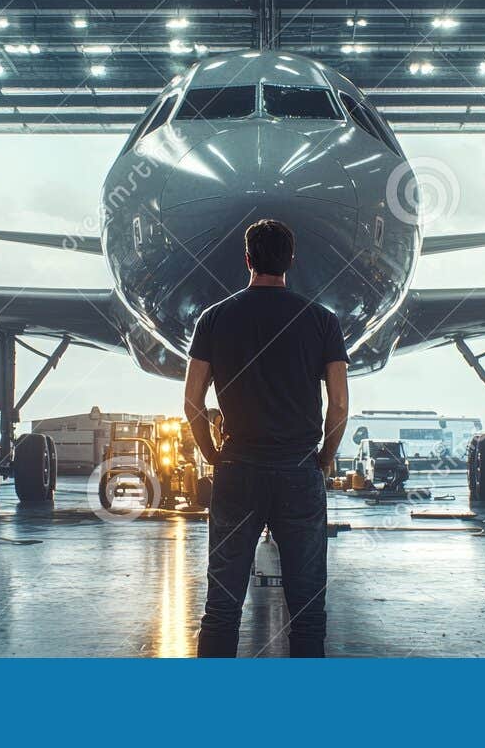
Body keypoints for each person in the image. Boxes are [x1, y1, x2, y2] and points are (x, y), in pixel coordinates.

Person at [184, 219, 349, 658]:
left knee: (221, 607)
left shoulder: (213, 319)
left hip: (237, 470)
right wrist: (325, 458)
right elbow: (339, 406)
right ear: (291, 261)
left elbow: (192, 403)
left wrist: (213, 455)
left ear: (247, 259)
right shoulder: (322, 321)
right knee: (308, 610)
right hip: (299, 470)